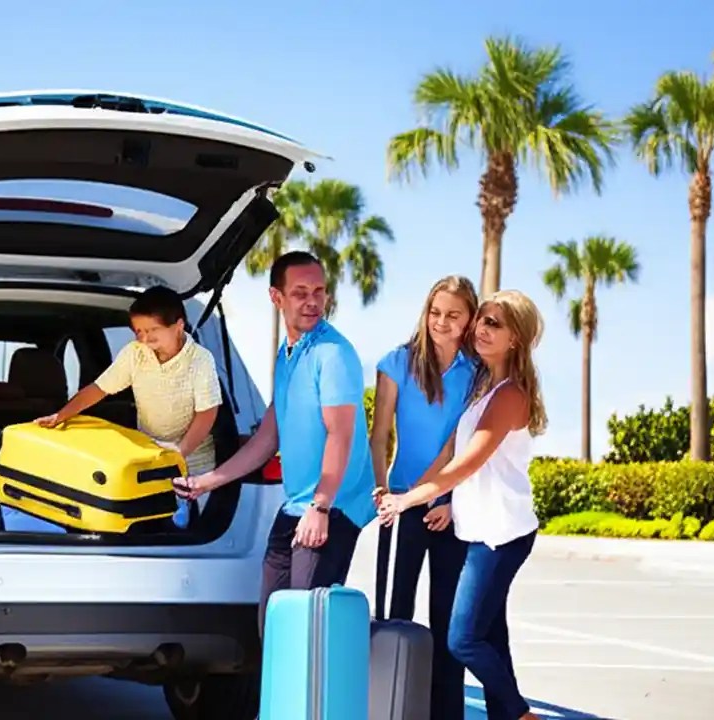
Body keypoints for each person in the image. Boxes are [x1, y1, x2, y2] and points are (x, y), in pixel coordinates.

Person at [174, 250, 375, 631]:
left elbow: (341, 433)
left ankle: (313, 694)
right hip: (297, 505)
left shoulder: (333, 354)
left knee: (307, 628)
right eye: (300, 292)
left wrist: (320, 506)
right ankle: (277, 692)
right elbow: (268, 437)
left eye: (319, 290)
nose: (313, 301)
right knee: (273, 622)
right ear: (276, 297)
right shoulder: (288, 356)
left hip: (332, 507)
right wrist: (206, 482)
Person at [375, 290, 547, 720]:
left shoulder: (508, 394)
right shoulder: (485, 387)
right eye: (483, 321)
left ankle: (521, 714)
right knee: (491, 635)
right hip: (479, 532)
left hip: (501, 535)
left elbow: (466, 465)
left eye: (494, 324)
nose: (481, 330)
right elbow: (449, 452)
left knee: (462, 639)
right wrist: (410, 492)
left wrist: (412, 498)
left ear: (516, 339)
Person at [370, 275, 479, 720]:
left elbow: (470, 448)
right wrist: (383, 489)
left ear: (469, 318)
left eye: (453, 315)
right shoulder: (397, 362)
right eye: (435, 312)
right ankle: (394, 709)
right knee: (396, 616)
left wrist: (449, 501)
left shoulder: (478, 373)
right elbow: (379, 436)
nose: (441, 322)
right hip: (402, 504)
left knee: (448, 626)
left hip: (454, 510)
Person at [37, 285, 223, 524]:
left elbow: (207, 413)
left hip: (192, 463)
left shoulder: (200, 360)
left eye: (152, 330)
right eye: (138, 331)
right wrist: (61, 415)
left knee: (183, 526)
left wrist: (179, 452)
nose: (144, 338)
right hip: (148, 456)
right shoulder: (135, 353)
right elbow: (99, 389)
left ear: (178, 325)